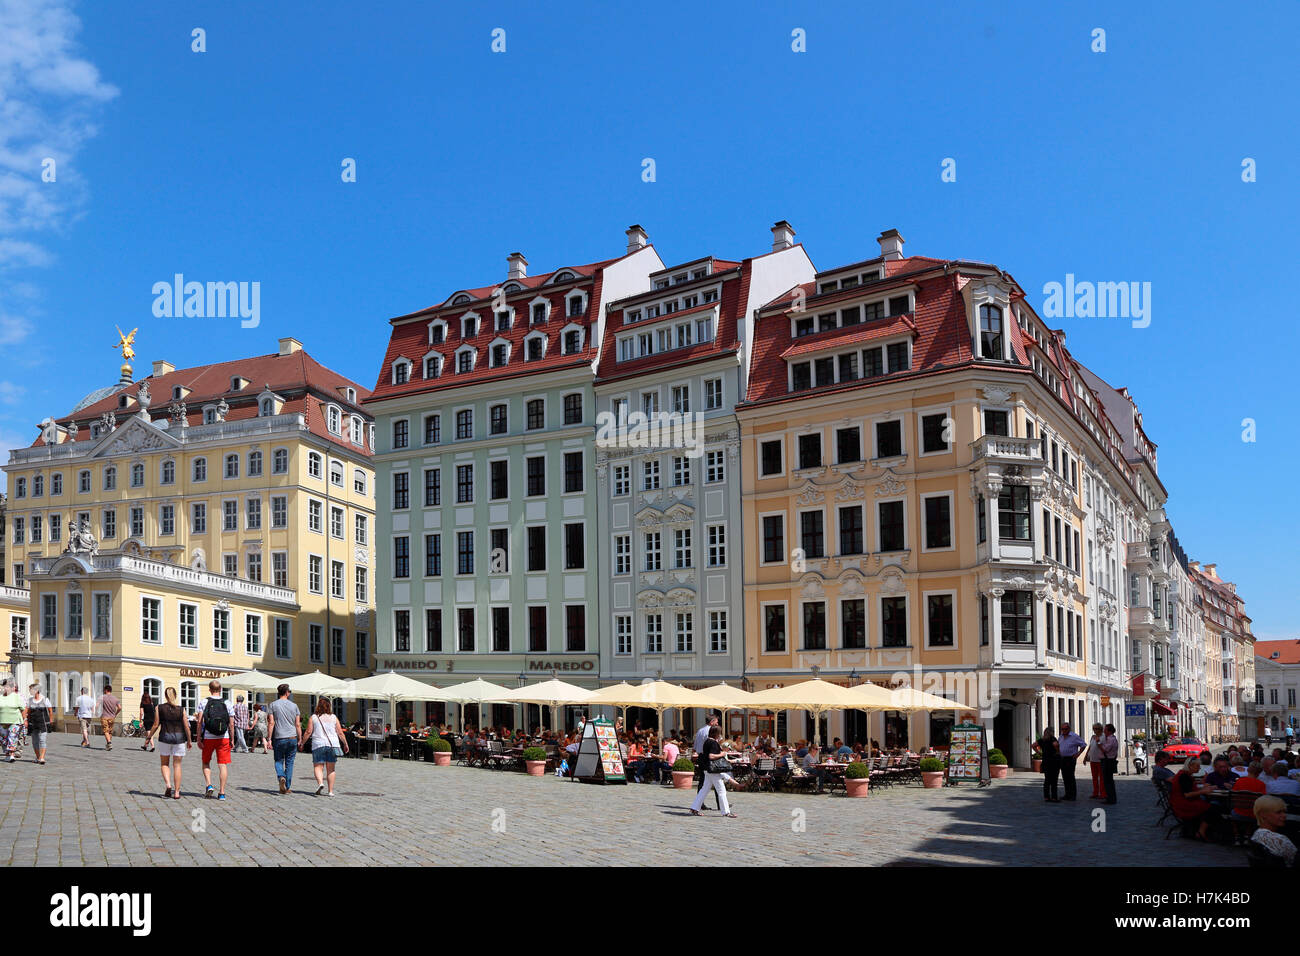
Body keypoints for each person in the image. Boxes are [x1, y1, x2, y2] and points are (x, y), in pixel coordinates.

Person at [301, 699, 348, 796]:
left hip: (318, 744)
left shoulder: (313, 717)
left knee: (318, 766)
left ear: (318, 706)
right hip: (332, 745)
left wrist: (302, 743)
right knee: (331, 769)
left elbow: (308, 732)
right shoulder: (334, 717)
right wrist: (345, 744)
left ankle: (320, 783)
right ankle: (330, 791)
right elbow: (340, 732)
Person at [150, 687, 191, 799]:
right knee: (177, 766)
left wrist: (149, 737)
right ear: (176, 695)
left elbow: (155, 724)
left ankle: (168, 785)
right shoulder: (181, 709)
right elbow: (186, 726)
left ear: (165, 695)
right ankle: (177, 792)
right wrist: (189, 740)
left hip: (165, 738)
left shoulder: (159, 708)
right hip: (179, 739)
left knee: (164, 764)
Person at [194, 680, 232, 800]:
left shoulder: (204, 702)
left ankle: (209, 785)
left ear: (209, 689)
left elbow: (200, 722)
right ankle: (222, 793)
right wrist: (232, 738)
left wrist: (199, 738)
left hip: (208, 737)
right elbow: (231, 724)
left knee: (206, 762)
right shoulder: (227, 702)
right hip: (223, 737)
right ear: (220, 689)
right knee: (222, 765)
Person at [689, 726, 736, 818]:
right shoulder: (713, 743)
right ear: (716, 734)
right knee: (721, 790)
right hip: (714, 770)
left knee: (704, 790)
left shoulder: (707, 741)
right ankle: (726, 812)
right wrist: (722, 754)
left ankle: (694, 808)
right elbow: (711, 756)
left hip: (707, 768)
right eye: (719, 733)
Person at [266, 683, 301, 794]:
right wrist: (300, 738)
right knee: (290, 762)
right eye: (289, 691)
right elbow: (297, 724)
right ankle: (287, 786)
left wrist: (269, 738)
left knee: (278, 760)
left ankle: (281, 776)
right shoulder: (294, 706)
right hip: (292, 737)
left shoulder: (273, 705)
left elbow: (271, 723)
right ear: (287, 693)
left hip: (279, 737)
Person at [1250, 795, 1297, 866]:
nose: (1284, 815)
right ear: (1263, 814)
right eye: (1278, 812)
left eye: (1284, 812)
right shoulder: (1279, 840)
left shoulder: (1256, 835)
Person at [1057, 722, 1085, 801]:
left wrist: (1078, 754)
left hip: (1070, 759)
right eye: (1062, 729)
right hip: (1063, 759)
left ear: (1069, 729)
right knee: (1065, 777)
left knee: (1070, 777)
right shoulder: (1061, 737)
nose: (1064, 730)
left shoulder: (1074, 736)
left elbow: (1083, 745)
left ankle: (1072, 795)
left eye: (1065, 729)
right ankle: (1067, 794)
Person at [24, 683, 52, 765]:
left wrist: (50, 720)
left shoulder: (45, 699)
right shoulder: (30, 700)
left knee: (42, 740)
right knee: (35, 742)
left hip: (43, 723)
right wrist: (26, 720)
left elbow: (50, 711)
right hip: (33, 724)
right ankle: (38, 757)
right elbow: (28, 712)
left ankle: (42, 758)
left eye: (31, 689)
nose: (29, 691)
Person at [0, 682, 23, 762]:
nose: (5, 689)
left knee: (12, 738)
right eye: (4, 687)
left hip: (15, 721)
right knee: (4, 739)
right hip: (2, 722)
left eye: (7, 687)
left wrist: (24, 719)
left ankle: (12, 755)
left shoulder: (17, 697)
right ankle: (7, 754)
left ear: (12, 689)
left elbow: (23, 708)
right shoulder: (0, 697)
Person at [1084, 723, 1107, 799]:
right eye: (1094, 728)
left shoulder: (1104, 737)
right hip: (1092, 759)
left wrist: (1098, 742)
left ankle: (1103, 793)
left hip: (1100, 760)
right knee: (1094, 777)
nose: (1095, 730)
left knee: (1102, 778)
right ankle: (1095, 792)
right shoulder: (1093, 737)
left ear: (1101, 729)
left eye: (1096, 729)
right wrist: (1086, 756)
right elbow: (1090, 746)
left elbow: (1104, 747)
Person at [1039, 727, 1061, 802]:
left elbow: (1033, 745)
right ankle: (1054, 797)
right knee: (1054, 780)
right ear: (1052, 732)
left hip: (1045, 761)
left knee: (1047, 780)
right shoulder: (1052, 738)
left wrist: (1040, 753)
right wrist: (1058, 751)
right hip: (1054, 762)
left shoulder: (1042, 740)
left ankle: (1046, 797)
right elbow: (1055, 745)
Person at [1099, 724, 1119, 805]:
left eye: (1105, 730)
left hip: (1108, 761)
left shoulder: (1111, 739)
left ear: (1110, 731)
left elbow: (1105, 750)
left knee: (1108, 781)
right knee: (1108, 781)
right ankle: (1110, 797)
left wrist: (1098, 743)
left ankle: (1111, 799)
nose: (1104, 731)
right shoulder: (1110, 739)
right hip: (1108, 760)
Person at [99, 684, 121, 751]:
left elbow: (96, 706)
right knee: (110, 732)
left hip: (104, 716)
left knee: (105, 730)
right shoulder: (115, 698)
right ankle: (108, 745)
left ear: (106, 690)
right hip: (112, 717)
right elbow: (120, 708)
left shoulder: (102, 697)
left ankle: (109, 742)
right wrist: (115, 714)